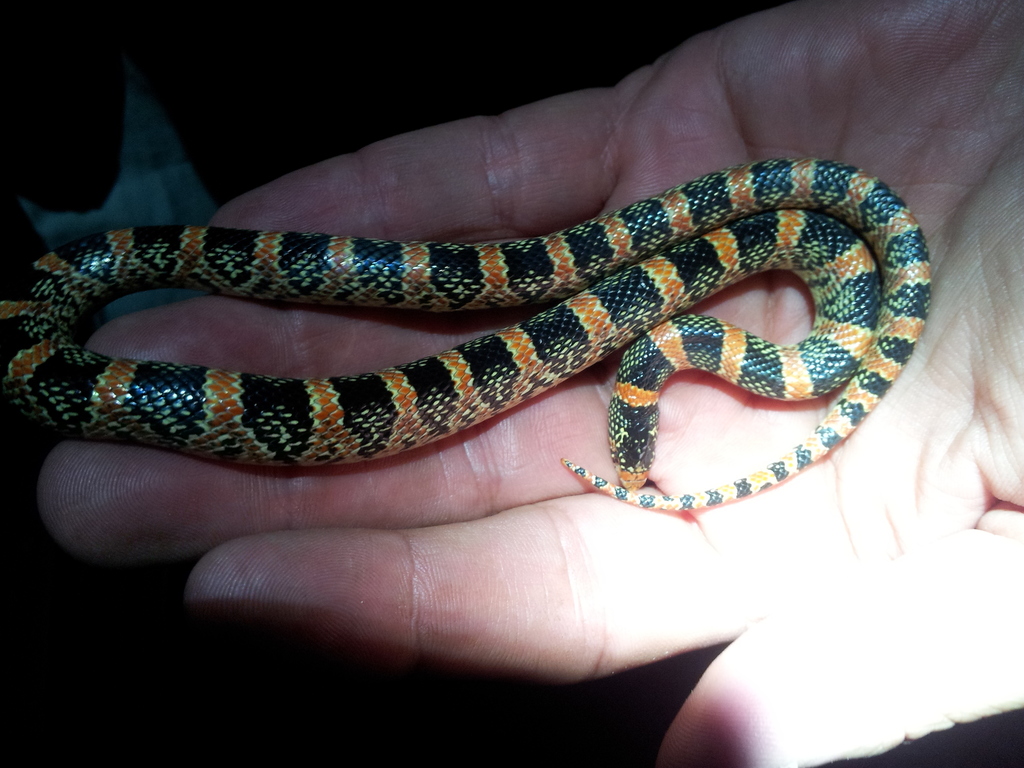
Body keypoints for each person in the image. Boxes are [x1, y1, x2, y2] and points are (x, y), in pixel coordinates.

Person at [34, 0, 1022, 765]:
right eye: (632, 434)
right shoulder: (715, 345)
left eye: (630, 433)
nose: (629, 439)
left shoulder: (728, 349)